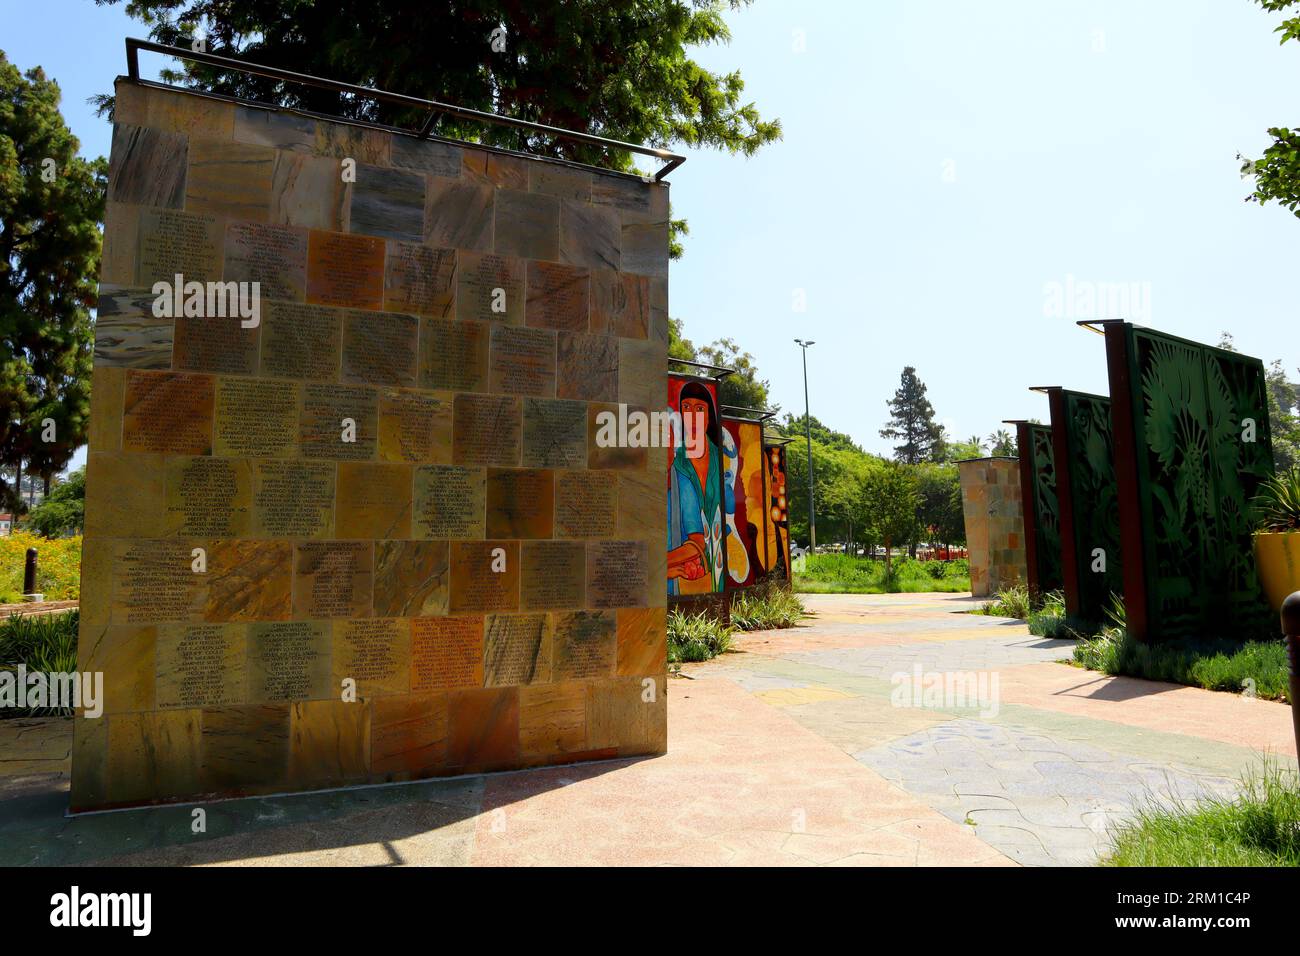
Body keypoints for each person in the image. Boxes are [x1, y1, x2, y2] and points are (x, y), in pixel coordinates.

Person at [667, 382, 724, 594]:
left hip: (719, 563)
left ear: (709, 414)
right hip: (686, 569)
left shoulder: (723, 458)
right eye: (686, 408)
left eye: (699, 408)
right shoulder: (674, 459)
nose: (692, 415)